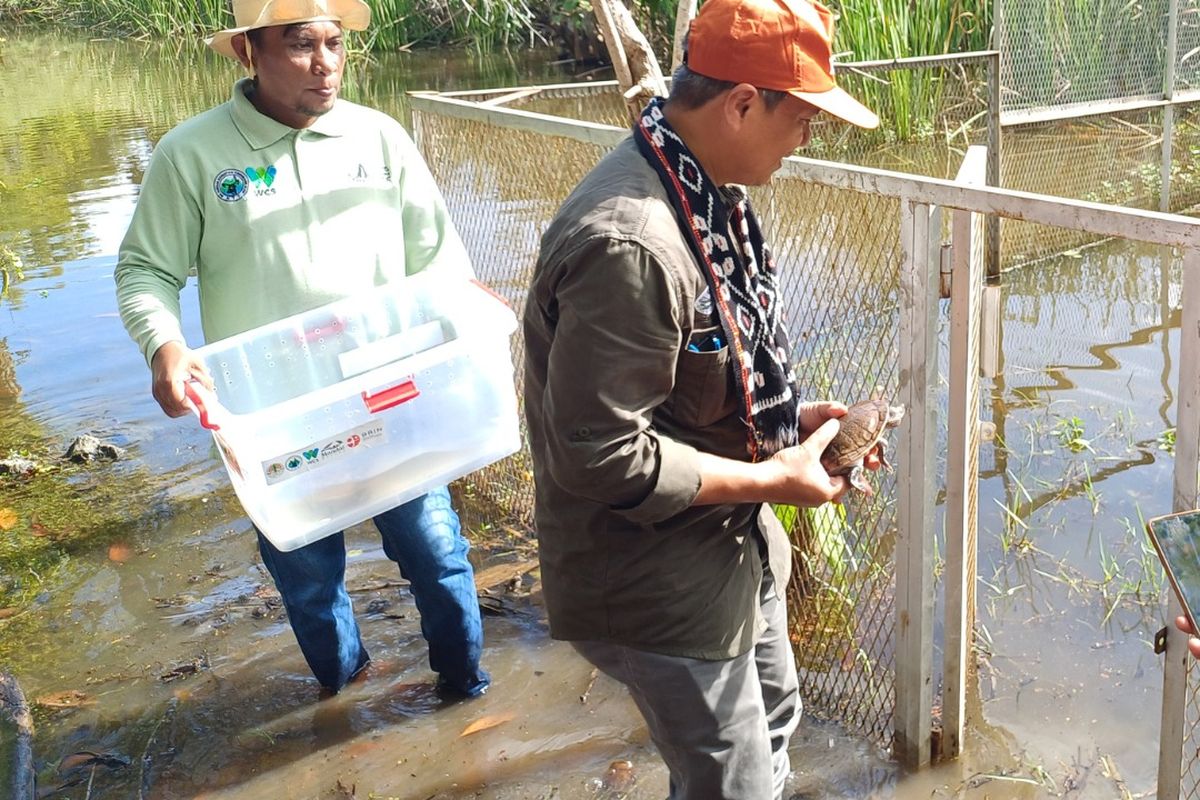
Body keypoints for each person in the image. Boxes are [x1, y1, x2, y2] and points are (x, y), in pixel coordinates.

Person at [522, 0, 880, 797]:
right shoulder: (633, 241)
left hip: (732, 546)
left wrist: (796, 421)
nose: (806, 139)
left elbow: (695, 377)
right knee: (734, 780)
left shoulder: (704, 188)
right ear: (743, 103)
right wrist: (775, 481)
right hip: (652, 578)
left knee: (777, 718)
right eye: (803, 118)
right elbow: (601, 455)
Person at [115, 0, 489, 700]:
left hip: (390, 397)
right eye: (300, 45)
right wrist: (164, 343)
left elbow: (439, 259)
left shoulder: (379, 140)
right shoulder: (193, 155)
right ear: (250, 52)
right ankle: (346, 698)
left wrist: (458, 351)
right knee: (310, 579)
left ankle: (464, 687)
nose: (325, 63)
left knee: (437, 553)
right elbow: (145, 269)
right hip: (276, 417)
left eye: (334, 43)